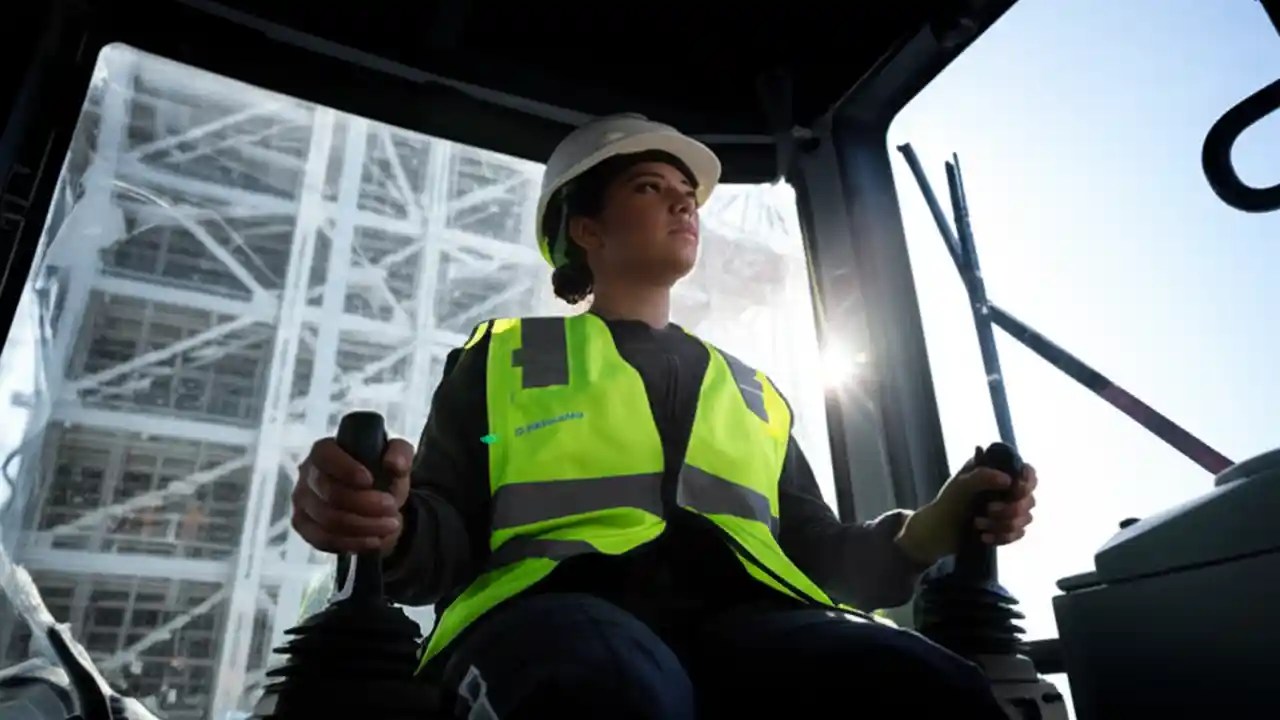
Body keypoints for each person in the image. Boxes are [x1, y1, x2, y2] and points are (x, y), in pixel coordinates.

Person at [291, 114, 1038, 719]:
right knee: (604, 686)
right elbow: (446, 530)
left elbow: (814, 554)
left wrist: (928, 530)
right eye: (652, 187)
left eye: (688, 192)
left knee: (927, 685)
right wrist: (391, 526)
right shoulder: (505, 361)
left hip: (748, 628)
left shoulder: (752, 393)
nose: (685, 203)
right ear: (585, 228)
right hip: (548, 616)